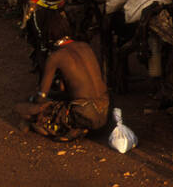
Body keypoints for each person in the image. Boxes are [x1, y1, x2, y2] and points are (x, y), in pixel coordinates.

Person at [13, 11, 111, 141]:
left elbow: (42, 96)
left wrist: (35, 104)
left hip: (83, 113)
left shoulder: (56, 57)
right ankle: (80, 128)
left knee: (21, 107)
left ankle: (68, 127)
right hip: (105, 111)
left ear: (48, 34)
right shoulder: (85, 46)